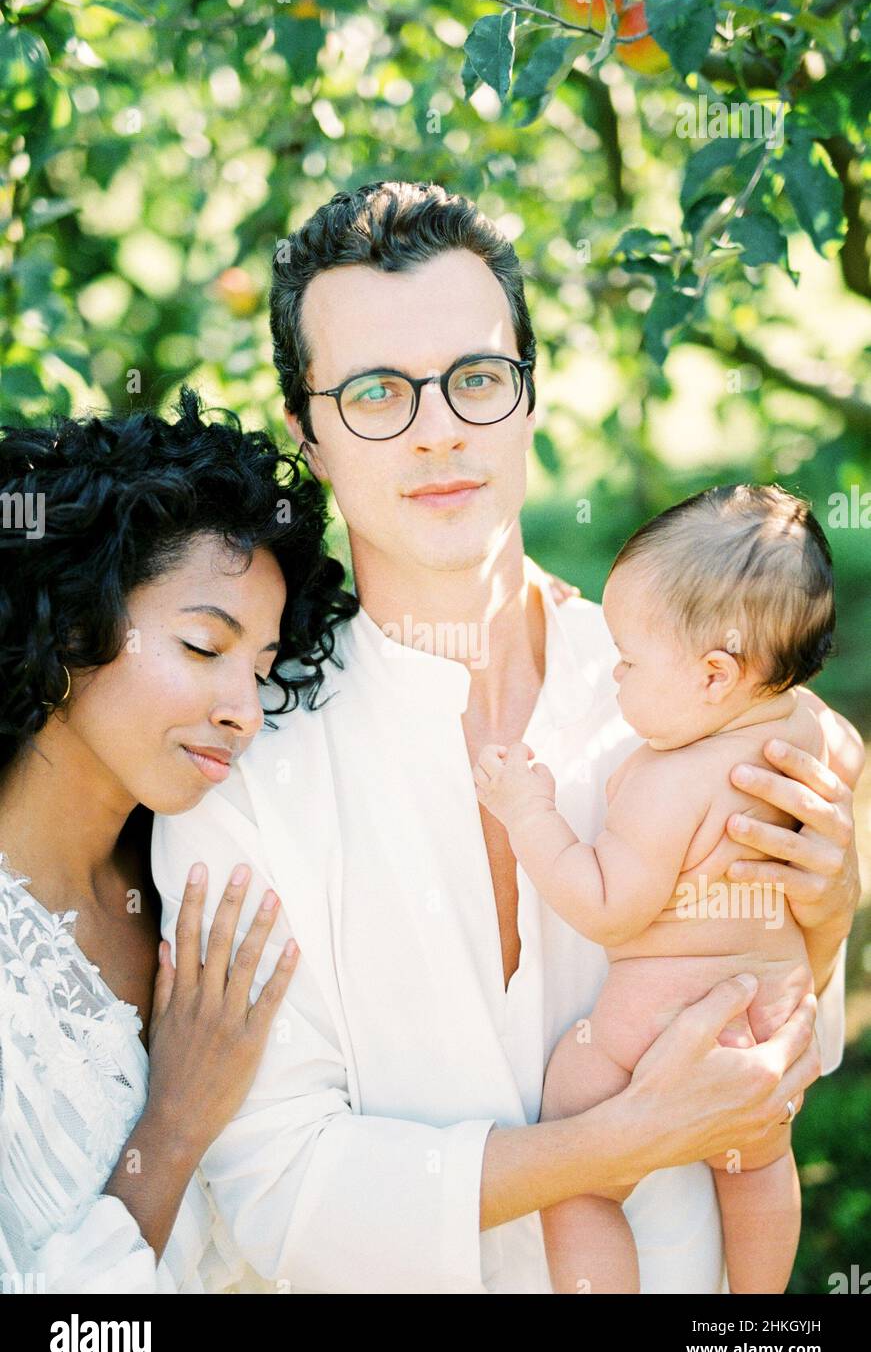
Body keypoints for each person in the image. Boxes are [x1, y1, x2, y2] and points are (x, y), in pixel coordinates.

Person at [152, 182, 864, 1294]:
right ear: (309, 431)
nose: (439, 429)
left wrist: (821, 934)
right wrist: (607, 1144)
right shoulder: (242, 763)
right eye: (378, 391)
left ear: (528, 396)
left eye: (476, 378)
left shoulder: (702, 705)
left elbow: (772, 1061)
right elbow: (275, 1192)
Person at [0, 387, 356, 1292]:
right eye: (204, 647)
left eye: (262, 668)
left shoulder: (195, 876)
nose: (242, 710)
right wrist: (173, 1125)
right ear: (75, 620)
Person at [474, 482, 863, 1293]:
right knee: (756, 1168)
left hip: (650, 1022)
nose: (613, 676)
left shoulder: (664, 780)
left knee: (574, 1177)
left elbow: (606, 908)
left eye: (628, 660)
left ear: (715, 675)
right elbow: (851, 761)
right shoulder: (813, 731)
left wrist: (529, 813)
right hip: (767, 1017)